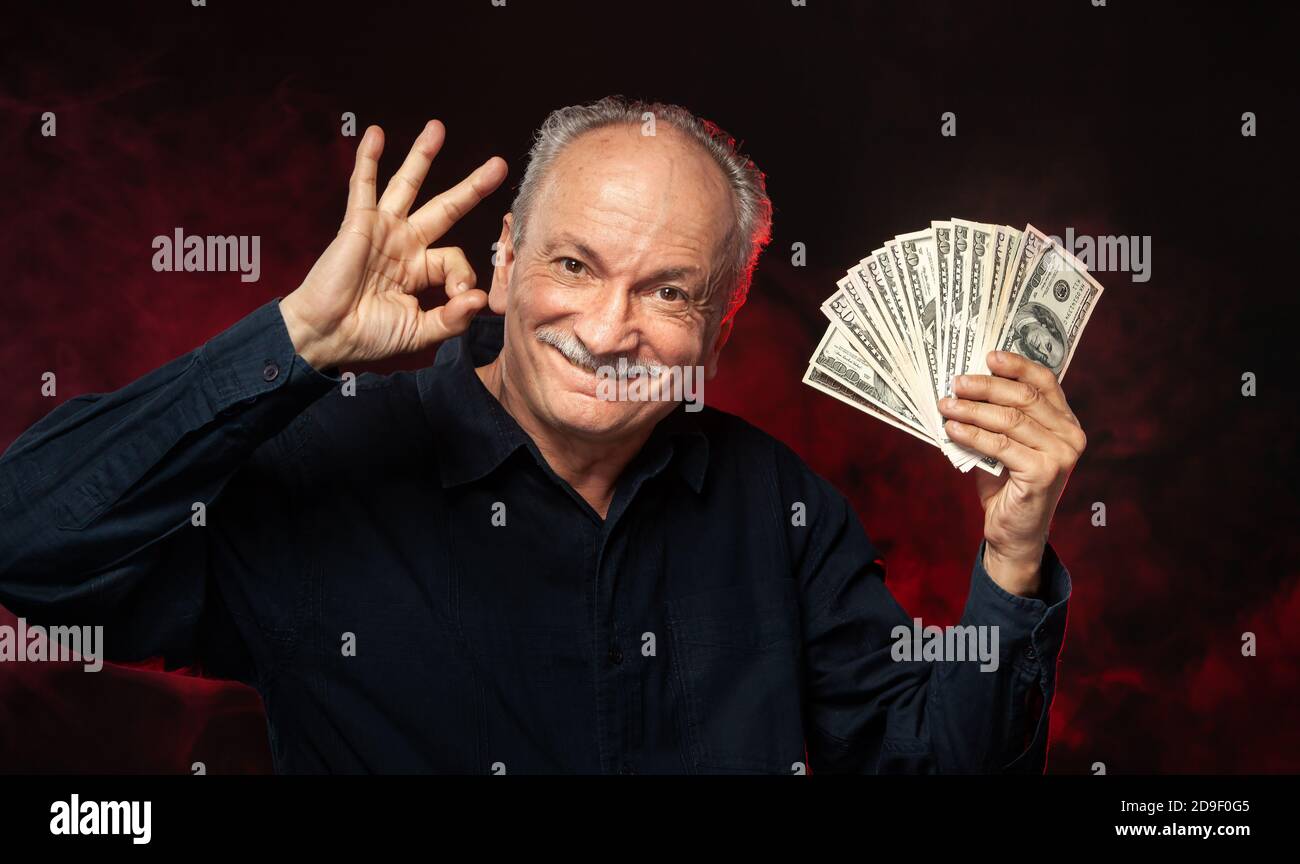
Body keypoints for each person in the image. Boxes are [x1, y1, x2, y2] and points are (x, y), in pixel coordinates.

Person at [0, 97, 1085, 773]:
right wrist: (292, 340)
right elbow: (27, 544)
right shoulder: (324, 463)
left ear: (721, 318)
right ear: (508, 259)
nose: (610, 329)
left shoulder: (782, 512)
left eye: (667, 291)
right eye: (574, 265)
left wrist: (1012, 554)